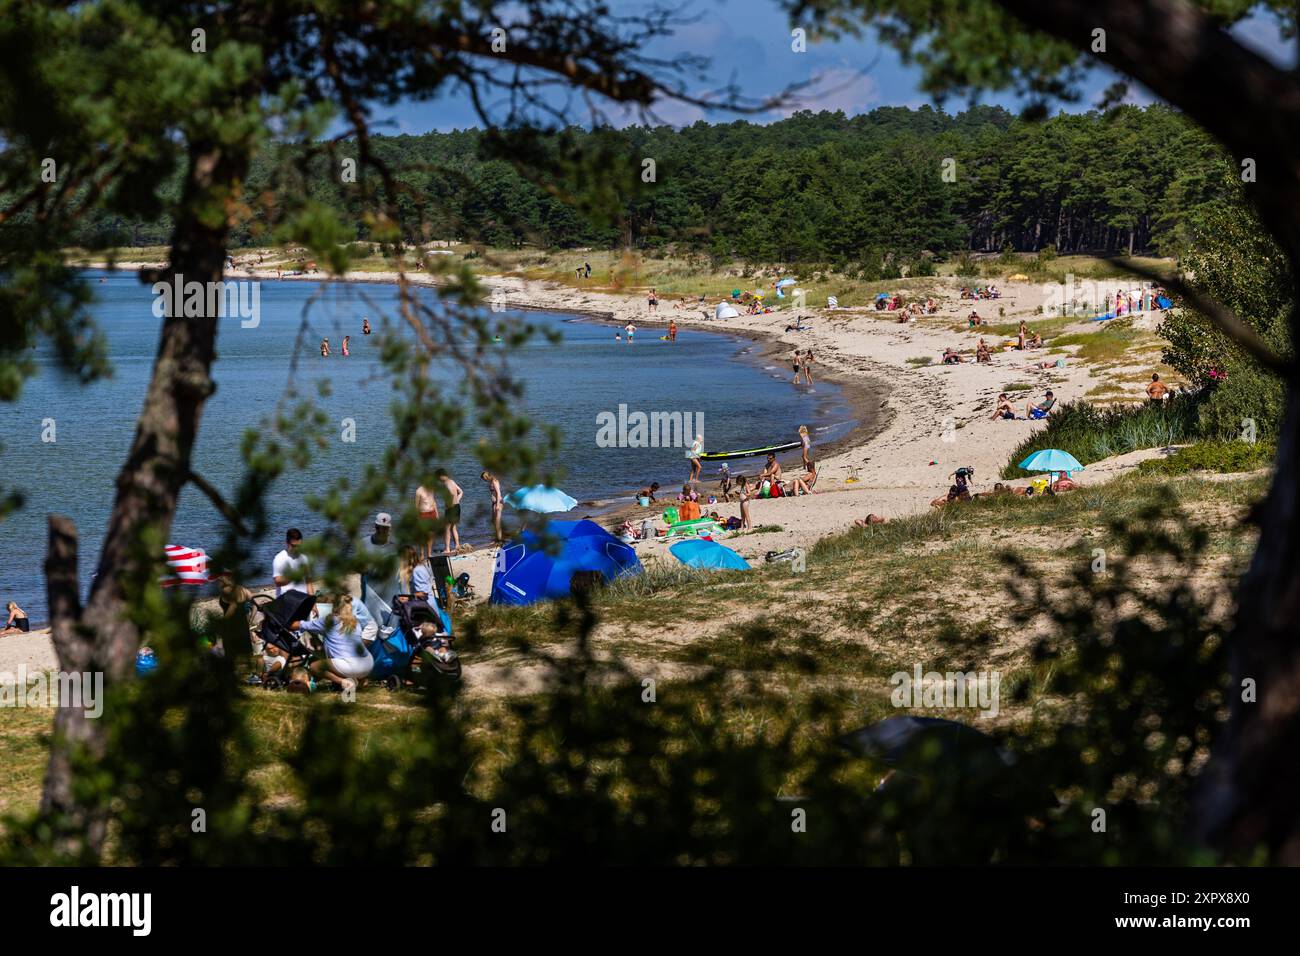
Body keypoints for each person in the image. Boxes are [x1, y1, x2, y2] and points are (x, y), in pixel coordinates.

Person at [292, 590, 375, 693]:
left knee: (314, 667)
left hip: (349, 665)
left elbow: (298, 625)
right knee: (338, 659)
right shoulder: (354, 621)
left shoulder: (330, 620)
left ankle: (344, 682)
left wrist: (287, 622)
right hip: (368, 663)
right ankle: (361, 681)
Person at [358, 513, 401, 629]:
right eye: (380, 528)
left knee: (391, 623)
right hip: (371, 592)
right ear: (376, 527)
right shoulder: (364, 543)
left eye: (386, 528)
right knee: (370, 625)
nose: (383, 531)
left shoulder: (396, 543)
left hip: (390, 592)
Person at [272, 528, 313, 597]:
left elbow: (308, 582)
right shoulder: (279, 558)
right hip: (286, 600)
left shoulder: (304, 558)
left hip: (303, 600)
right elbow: (277, 582)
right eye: (294, 546)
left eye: (299, 546)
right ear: (287, 542)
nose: (296, 549)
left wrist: (313, 603)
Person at [438, 469, 464, 554]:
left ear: (442, 476)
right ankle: (457, 545)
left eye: (438, 478)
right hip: (457, 507)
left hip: (451, 508)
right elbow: (461, 492)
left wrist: (449, 505)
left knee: (447, 529)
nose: (438, 480)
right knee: (453, 527)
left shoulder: (446, 484)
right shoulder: (452, 481)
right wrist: (457, 500)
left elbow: (451, 494)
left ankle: (447, 549)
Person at [415, 483, 439, 560]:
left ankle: (429, 554)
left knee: (431, 535)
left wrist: (437, 513)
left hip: (432, 513)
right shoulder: (419, 491)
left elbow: (433, 501)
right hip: (423, 514)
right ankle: (422, 554)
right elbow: (416, 506)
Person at [481, 471, 505, 543]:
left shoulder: (495, 481)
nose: (484, 480)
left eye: (484, 479)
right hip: (494, 503)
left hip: (498, 503)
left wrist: (497, 504)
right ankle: (496, 537)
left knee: (497, 522)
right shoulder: (490, 482)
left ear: (486, 477)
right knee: (493, 521)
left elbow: (498, 493)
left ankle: (499, 540)